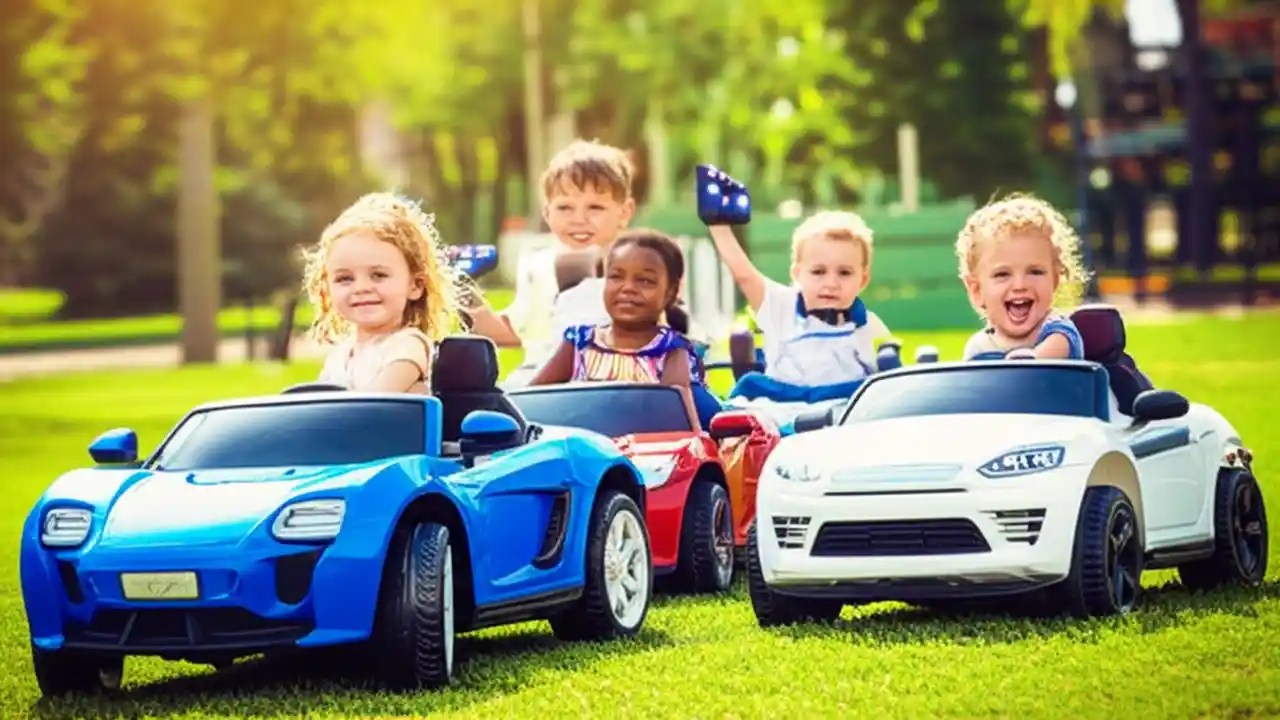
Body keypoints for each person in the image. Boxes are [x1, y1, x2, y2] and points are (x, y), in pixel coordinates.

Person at [698, 167, 891, 403]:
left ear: (863, 279)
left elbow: (890, 382)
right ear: (797, 273)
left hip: (843, 417)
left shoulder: (870, 327)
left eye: (844, 273)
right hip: (784, 411)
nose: (831, 283)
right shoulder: (782, 307)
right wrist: (718, 226)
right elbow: (744, 275)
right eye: (818, 272)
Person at [464, 139, 637, 387]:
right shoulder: (538, 266)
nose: (579, 219)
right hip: (540, 384)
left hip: (611, 381)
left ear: (624, 212)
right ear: (547, 213)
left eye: (595, 208)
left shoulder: (638, 264)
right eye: (565, 208)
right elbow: (513, 331)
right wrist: (462, 289)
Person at [530, 229, 715, 428]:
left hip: (649, 454)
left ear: (671, 291)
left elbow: (679, 421)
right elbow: (531, 402)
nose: (627, 288)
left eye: (645, 281)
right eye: (616, 277)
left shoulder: (672, 351)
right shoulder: (578, 344)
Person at [301, 192, 462, 393]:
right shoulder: (339, 357)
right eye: (345, 279)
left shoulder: (408, 345)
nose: (361, 288)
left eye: (378, 275)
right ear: (327, 287)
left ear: (415, 286)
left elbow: (372, 405)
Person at [955, 194, 1089, 360]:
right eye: (1002, 274)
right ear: (977, 291)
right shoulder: (979, 349)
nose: (1020, 285)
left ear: (1055, 280)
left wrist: (1029, 360)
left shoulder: (1058, 333)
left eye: (1035, 272)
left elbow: (1043, 363)